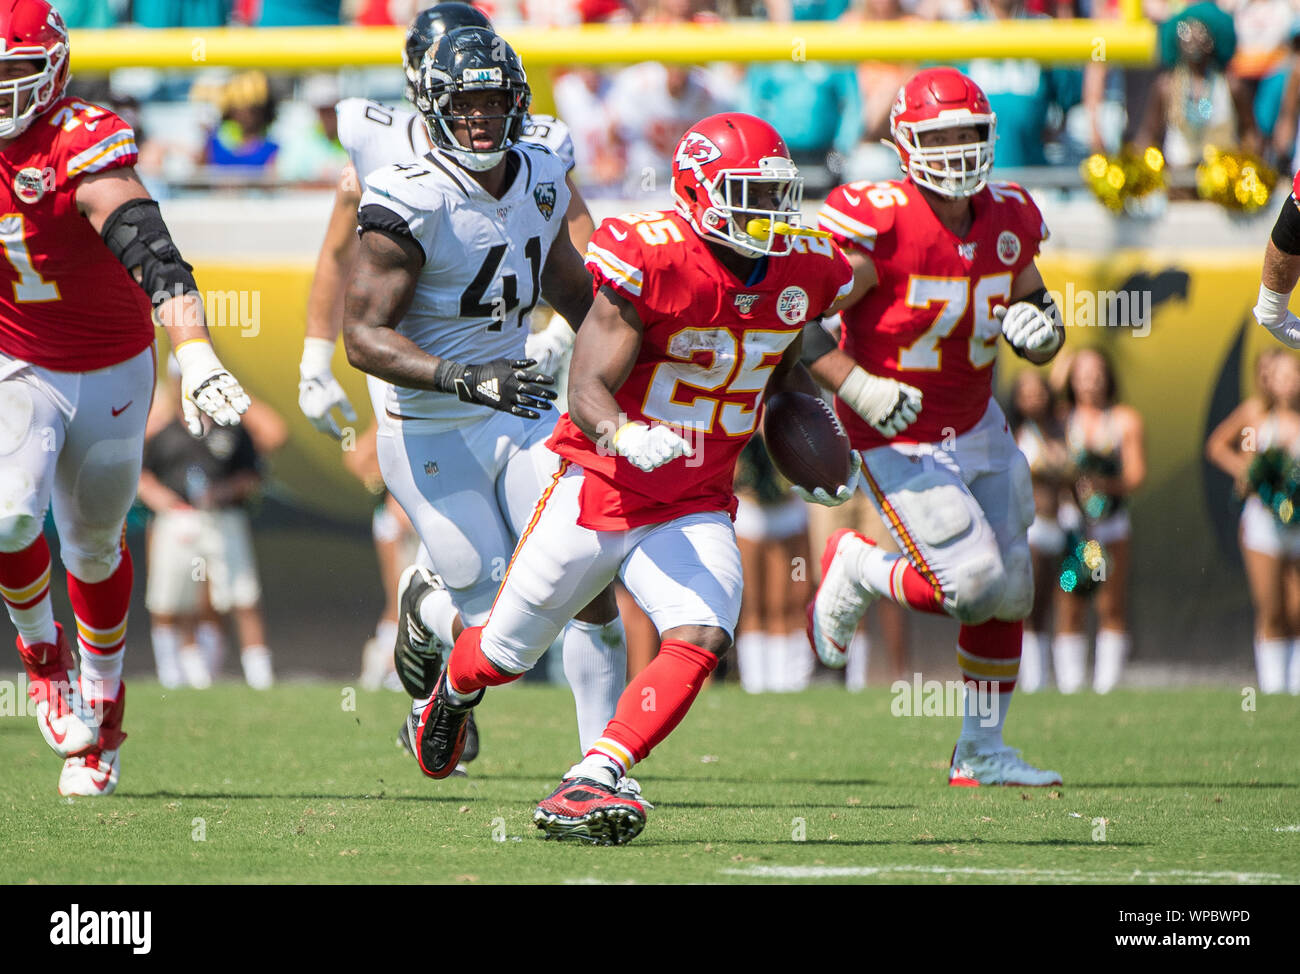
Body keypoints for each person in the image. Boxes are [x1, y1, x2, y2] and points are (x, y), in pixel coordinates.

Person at [414, 112, 895, 847]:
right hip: (600, 488)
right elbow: (587, 384)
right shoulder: (655, 258)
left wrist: (825, 417)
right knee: (501, 657)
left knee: (703, 630)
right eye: (748, 197)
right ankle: (450, 689)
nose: (767, 215)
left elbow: (787, 357)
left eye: (774, 196)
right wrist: (622, 431)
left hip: (694, 499)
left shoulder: (802, 268)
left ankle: (597, 775)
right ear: (699, 193)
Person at [298, 4, 619, 771]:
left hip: (521, 405)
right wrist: (466, 377)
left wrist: (618, 355)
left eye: (494, 101)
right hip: (434, 420)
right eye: (465, 104)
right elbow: (364, 336)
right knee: (500, 618)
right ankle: (424, 609)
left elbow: (577, 287)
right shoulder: (406, 193)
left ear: (520, 102)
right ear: (432, 105)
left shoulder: (541, 169)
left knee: (589, 582)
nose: (481, 118)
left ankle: (601, 770)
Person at [0, 0, 249, 796]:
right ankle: (44, 661)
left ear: (52, 72)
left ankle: (103, 715)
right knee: (7, 513)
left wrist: (197, 346)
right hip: (18, 359)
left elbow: (148, 244)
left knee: (95, 545)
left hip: (111, 366)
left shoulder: (80, 138)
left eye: (14, 73)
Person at [807, 67, 1066, 786]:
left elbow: (1038, 309)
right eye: (939, 137)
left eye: (968, 135)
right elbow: (797, 320)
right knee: (975, 583)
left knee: (1014, 584)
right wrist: (857, 385)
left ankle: (982, 754)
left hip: (977, 419)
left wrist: (1042, 335)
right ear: (904, 145)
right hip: (896, 430)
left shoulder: (1011, 216)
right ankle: (858, 567)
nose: (956, 151)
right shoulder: (878, 222)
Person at [139, 365, 285, 690]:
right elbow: (137, 466)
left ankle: (259, 676)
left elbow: (273, 437)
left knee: (240, 595)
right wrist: (164, 500)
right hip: (176, 520)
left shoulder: (230, 425)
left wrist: (223, 491)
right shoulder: (162, 426)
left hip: (222, 517)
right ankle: (174, 675)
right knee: (171, 598)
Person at [1206, 348, 1300, 693]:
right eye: (1280, 376)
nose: (1289, 382)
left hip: (1299, 520)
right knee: (1272, 607)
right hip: (1263, 520)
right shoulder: (1256, 415)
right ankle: (1273, 686)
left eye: (1294, 374)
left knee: (1297, 607)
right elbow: (1217, 445)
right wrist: (1248, 471)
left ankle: (1296, 685)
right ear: (1268, 381)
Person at [1051, 348, 1144, 693]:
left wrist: (1103, 484)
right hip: (1071, 524)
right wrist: (1066, 359)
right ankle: (1070, 685)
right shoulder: (1061, 419)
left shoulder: (1124, 419)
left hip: (1111, 524)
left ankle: (1108, 685)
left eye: (1097, 373)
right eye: (1083, 374)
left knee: (1110, 602)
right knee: (1070, 601)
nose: (1091, 381)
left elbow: (1136, 475)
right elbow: (1046, 398)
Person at [732, 436, 813, 693]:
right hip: (750, 509)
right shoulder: (744, 405)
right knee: (753, 603)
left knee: (790, 601)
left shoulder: (790, 402)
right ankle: (755, 684)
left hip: (788, 508)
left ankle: (789, 683)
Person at [1007, 367, 1069, 692]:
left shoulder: (1059, 430)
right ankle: (1030, 678)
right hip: (1028, 529)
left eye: (1038, 390)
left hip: (1059, 530)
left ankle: (1048, 678)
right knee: (1029, 604)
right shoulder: (1013, 434)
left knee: (1056, 599)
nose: (1033, 397)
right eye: (1025, 391)